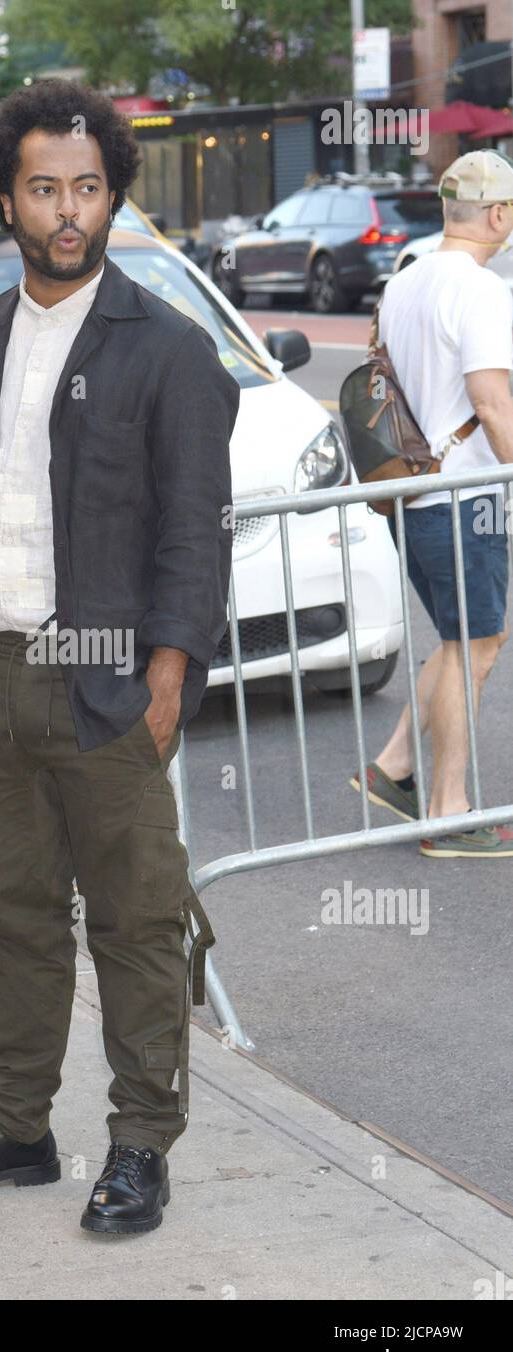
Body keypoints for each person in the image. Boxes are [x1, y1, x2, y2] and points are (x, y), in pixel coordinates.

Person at [0, 79, 239, 1234]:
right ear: (7, 198)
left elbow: (195, 530)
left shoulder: (171, 350)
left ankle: (140, 1140)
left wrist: (168, 674)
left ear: (111, 198)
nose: (67, 210)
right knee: (16, 917)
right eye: (44, 188)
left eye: (87, 188)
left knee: (137, 921)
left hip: (107, 681)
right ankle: (17, 1125)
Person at [352, 149, 513, 858]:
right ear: (499, 215)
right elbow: (492, 401)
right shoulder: (482, 291)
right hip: (462, 497)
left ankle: (392, 768)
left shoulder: (406, 283)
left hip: (413, 493)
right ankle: (448, 812)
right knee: (475, 647)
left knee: (463, 642)